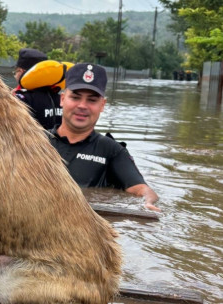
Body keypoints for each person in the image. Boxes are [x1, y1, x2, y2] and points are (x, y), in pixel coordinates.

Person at [49, 63, 160, 211]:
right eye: (75, 97)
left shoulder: (111, 150)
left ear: (102, 105)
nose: (82, 105)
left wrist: (148, 202)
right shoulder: (35, 140)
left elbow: (141, 189)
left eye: (92, 100)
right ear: (62, 99)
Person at [12, 48, 62, 130]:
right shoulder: (60, 97)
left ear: (21, 71)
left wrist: (9, 101)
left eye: (16, 72)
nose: (15, 76)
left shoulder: (22, 98)